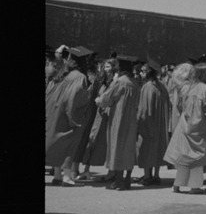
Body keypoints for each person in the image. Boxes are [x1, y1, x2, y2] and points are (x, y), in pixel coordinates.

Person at [164, 62, 206, 194]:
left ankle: (177, 185)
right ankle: (195, 186)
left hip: (185, 124)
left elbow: (178, 106)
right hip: (200, 127)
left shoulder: (186, 87)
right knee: (197, 159)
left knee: (184, 157)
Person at [45, 46, 93, 186]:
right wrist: (75, 118)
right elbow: (75, 97)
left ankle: (57, 176)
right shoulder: (80, 77)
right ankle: (66, 177)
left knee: (58, 142)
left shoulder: (62, 72)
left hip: (54, 110)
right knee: (69, 143)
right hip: (67, 113)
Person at [97, 54, 141, 191]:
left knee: (117, 146)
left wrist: (98, 100)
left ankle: (118, 180)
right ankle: (127, 179)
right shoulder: (134, 82)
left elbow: (107, 99)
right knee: (128, 148)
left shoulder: (120, 82)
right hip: (131, 120)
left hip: (119, 119)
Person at [136, 58, 171, 185]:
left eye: (143, 71)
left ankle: (147, 176)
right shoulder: (161, 86)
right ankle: (156, 175)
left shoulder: (147, 87)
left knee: (146, 149)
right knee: (157, 149)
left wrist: (140, 123)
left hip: (149, 123)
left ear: (148, 72)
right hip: (160, 124)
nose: (141, 73)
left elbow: (145, 109)